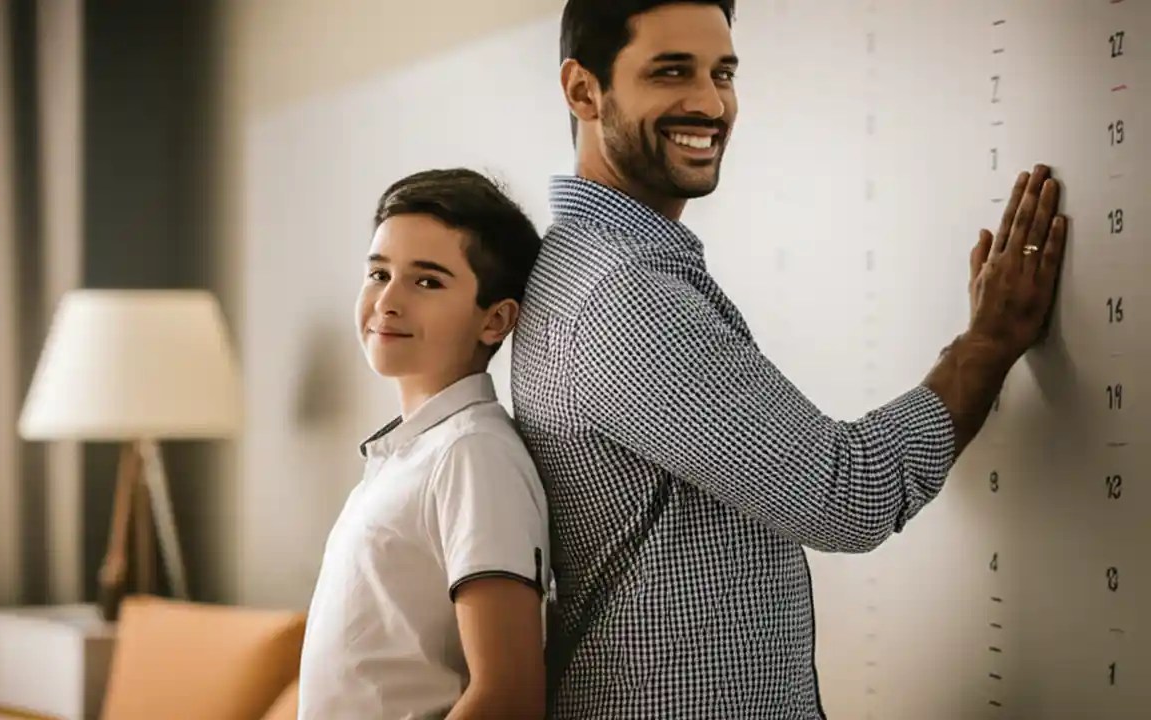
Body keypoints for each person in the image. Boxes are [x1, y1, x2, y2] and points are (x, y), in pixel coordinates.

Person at [509, 1, 1068, 717]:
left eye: (724, 73)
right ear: (583, 91)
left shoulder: (585, 264)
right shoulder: (624, 293)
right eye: (671, 72)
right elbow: (848, 493)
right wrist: (987, 344)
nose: (711, 104)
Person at [297, 168, 549, 719]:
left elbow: (507, 694)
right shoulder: (411, 455)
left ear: (496, 319)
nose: (388, 301)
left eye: (427, 281)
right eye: (378, 273)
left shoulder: (473, 456)